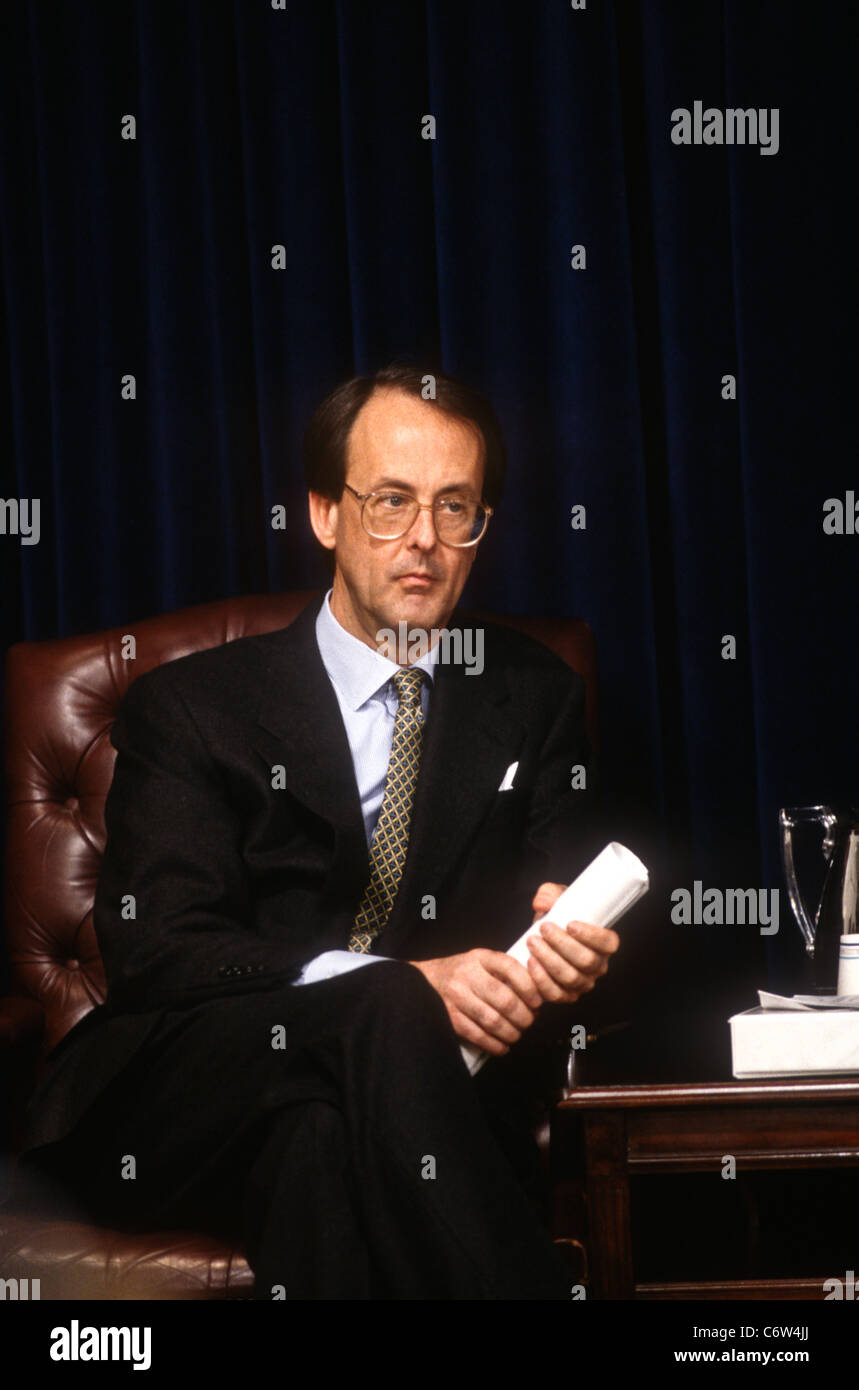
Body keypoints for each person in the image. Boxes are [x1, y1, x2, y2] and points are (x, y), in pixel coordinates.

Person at [15, 362, 619, 1299]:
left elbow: (563, 908)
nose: (422, 539)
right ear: (325, 515)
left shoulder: (531, 697)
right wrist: (388, 986)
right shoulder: (193, 707)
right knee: (383, 1003)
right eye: (390, 502)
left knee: (317, 1142)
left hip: (419, 1108)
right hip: (187, 1093)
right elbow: (159, 951)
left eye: (456, 508)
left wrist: (572, 952)